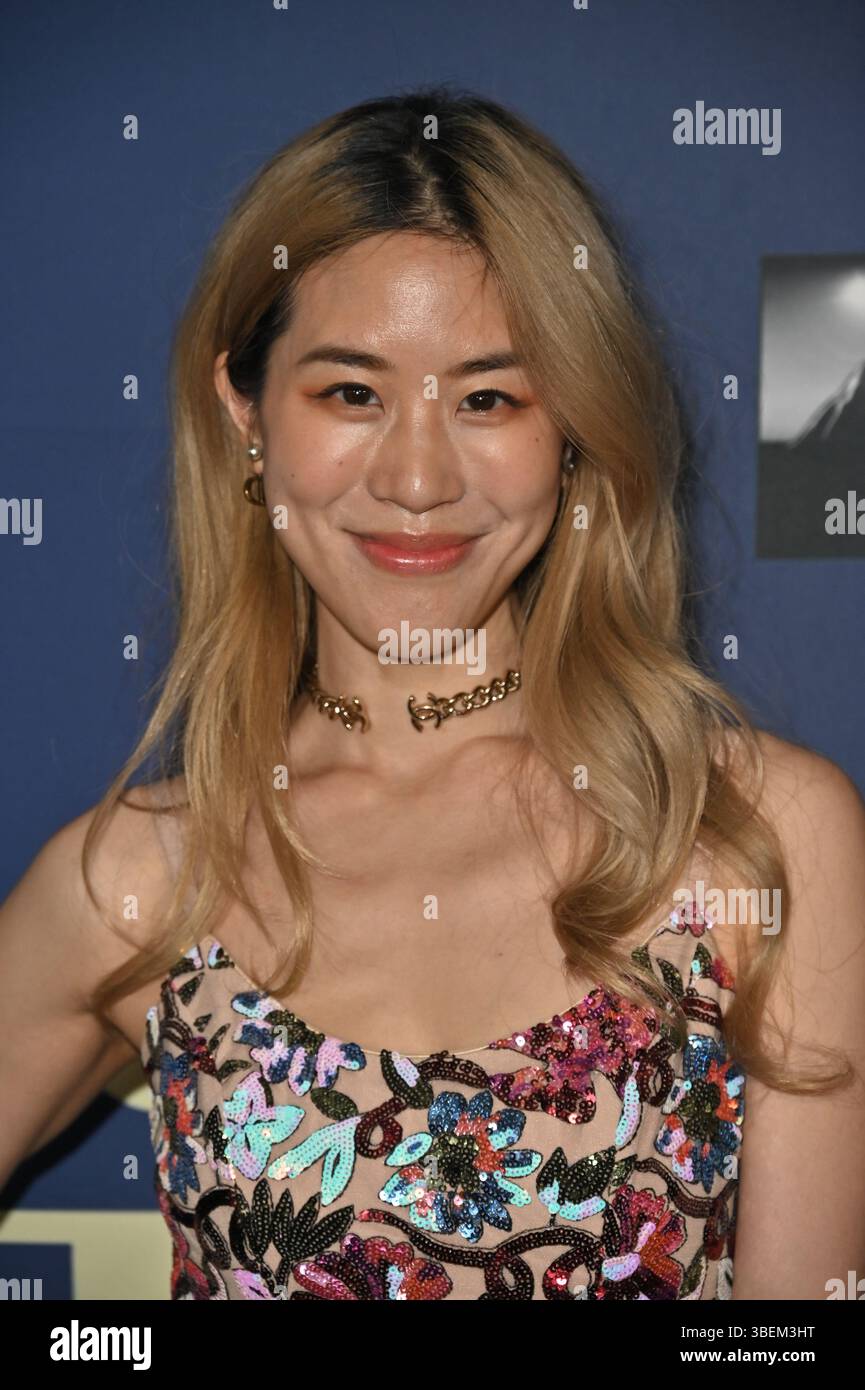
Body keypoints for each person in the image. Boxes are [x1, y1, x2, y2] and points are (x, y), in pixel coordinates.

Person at [1, 88, 863, 1302]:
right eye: (351, 392)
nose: (416, 476)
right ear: (245, 413)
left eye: (489, 398)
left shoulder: (753, 839)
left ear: (574, 431)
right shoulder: (144, 881)